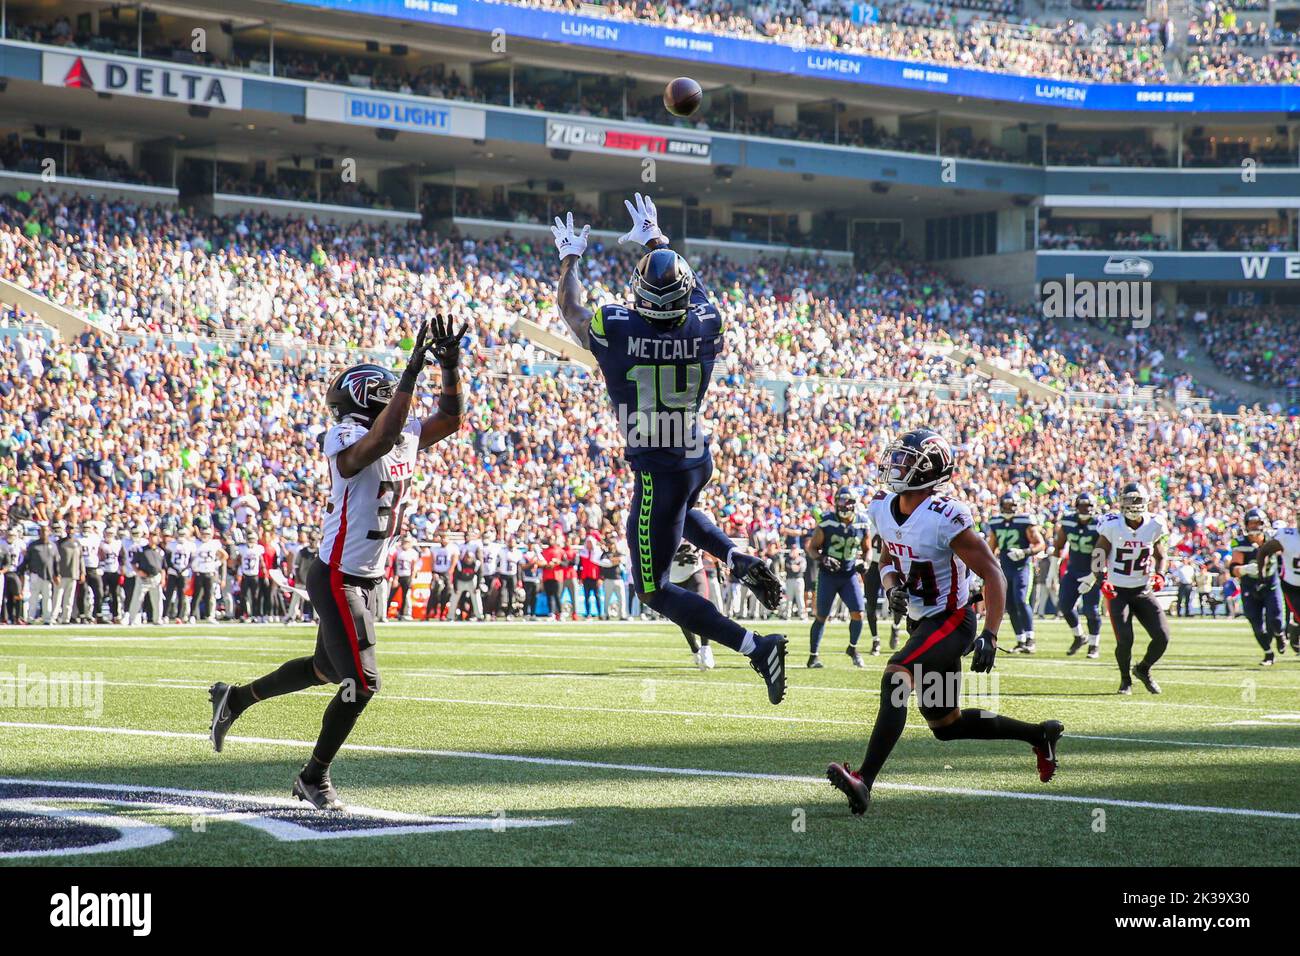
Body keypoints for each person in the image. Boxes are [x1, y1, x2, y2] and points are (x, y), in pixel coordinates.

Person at [209, 315, 466, 811]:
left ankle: (234, 698)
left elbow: (451, 420)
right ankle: (313, 777)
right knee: (362, 684)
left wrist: (450, 368)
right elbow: (374, 447)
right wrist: (412, 376)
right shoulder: (346, 436)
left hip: (367, 578)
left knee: (327, 669)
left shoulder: (401, 430)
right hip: (336, 577)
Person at [552, 195, 787, 703]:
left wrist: (571, 255)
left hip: (657, 468)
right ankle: (734, 554)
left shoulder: (617, 326)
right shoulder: (707, 324)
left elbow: (570, 308)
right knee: (686, 510)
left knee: (653, 589)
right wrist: (658, 238)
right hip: (695, 454)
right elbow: (694, 289)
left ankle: (755, 646)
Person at [826, 428, 1063, 815]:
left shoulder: (944, 515)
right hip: (922, 623)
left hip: (952, 619)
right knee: (946, 725)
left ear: (928, 471)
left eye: (906, 460)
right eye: (897, 458)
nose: (896, 465)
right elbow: (888, 558)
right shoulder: (883, 507)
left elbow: (993, 573)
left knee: (897, 675)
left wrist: (989, 633)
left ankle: (864, 780)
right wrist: (891, 587)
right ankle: (1039, 734)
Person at [1080, 482, 1171, 694]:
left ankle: (1143, 669)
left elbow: (1161, 554)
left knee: (1162, 636)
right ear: (1122, 502)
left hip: (1142, 589)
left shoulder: (1154, 524)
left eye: (1138, 500)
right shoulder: (1112, 524)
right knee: (1125, 639)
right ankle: (1125, 680)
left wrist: (1160, 574)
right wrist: (1103, 581)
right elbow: (1098, 555)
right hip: (1118, 591)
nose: (1134, 504)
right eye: (1130, 500)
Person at [805, 487, 871, 668]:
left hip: (849, 574)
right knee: (822, 616)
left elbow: (868, 550)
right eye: (840, 501)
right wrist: (822, 558)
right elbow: (811, 548)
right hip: (829, 575)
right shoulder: (827, 522)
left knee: (858, 613)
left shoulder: (862, 523)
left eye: (847, 501)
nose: (843, 505)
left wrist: (865, 563)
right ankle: (813, 656)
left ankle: (853, 648)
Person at [985, 492, 1046, 653]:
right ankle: (1020, 640)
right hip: (1005, 568)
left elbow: (1040, 544)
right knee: (1010, 605)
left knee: (1021, 600)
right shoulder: (996, 522)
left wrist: (1024, 552)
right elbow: (991, 547)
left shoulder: (1025, 521)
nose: (1008, 508)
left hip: (1022, 567)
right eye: (1005, 505)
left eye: (1011, 505)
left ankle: (1030, 639)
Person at [1229, 508, 1285, 665]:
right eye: (1251, 523)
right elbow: (1233, 569)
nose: (1254, 526)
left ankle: (1280, 634)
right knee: (1256, 623)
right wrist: (1244, 569)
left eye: (1257, 523)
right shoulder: (1239, 542)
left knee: (1275, 617)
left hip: (1270, 584)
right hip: (1249, 586)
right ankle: (1268, 653)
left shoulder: (1273, 539)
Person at [1053, 491, 1103, 658]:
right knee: (1064, 606)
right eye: (1082, 505)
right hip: (1073, 571)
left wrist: (1093, 576)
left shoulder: (1099, 524)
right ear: (1076, 507)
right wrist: (1053, 571)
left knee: (1092, 610)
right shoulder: (1068, 521)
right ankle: (1079, 636)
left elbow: (1103, 552)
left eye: (1088, 506)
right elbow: (1059, 545)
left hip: (1093, 571)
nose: (1085, 509)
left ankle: (1094, 645)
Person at [1253, 515, 1300, 653]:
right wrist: (1261, 576)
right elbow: (1263, 551)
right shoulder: (1287, 536)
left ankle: (1295, 629)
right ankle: (1294, 631)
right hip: (1291, 585)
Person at [20, 525, 56, 625]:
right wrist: (22, 570)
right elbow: (27, 560)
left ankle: (47, 618)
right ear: (39, 533)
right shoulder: (33, 545)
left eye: (46, 531)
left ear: (49, 532)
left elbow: (56, 561)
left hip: (48, 575)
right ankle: (30, 618)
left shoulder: (52, 545)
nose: (44, 533)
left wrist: (57, 574)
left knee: (47, 597)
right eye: (42, 531)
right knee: (33, 597)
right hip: (35, 574)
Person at [393, 534, 420, 620]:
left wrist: (412, 578)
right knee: (391, 595)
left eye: (407, 542)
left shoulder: (413, 553)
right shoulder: (398, 551)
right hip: (398, 575)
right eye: (404, 541)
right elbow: (395, 565)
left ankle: (406, 613)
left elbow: (414, 567)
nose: (405, 543)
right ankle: (385, 613)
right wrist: (395, 577)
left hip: (407, 576)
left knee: (406, 596)